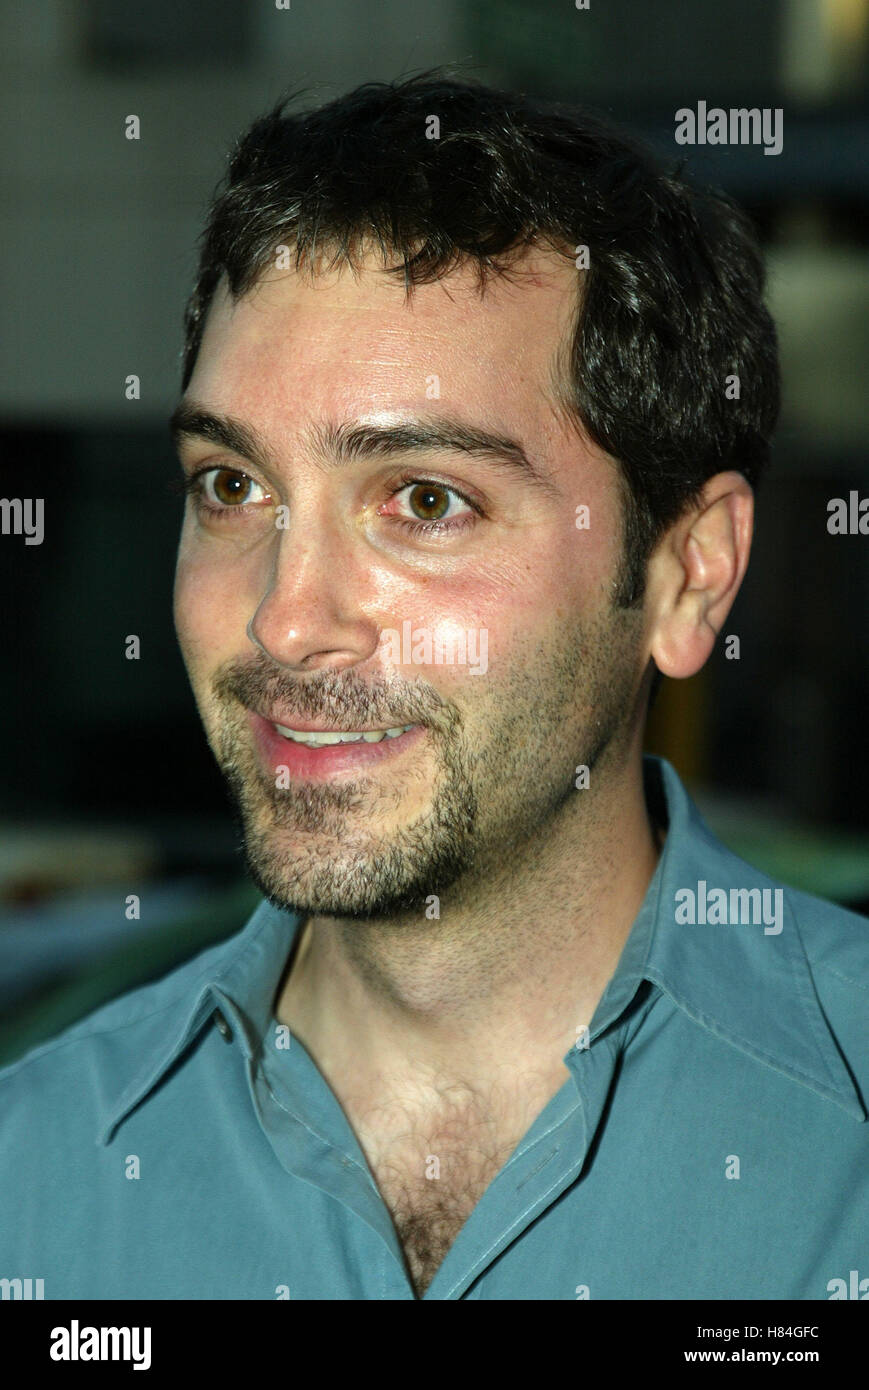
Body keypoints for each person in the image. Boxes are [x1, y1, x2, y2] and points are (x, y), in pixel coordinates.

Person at [2, 74, 866, 1303]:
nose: (285, 619)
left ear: (686, 574)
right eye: (231, 488)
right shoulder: (35, 1178)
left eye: (424, 500)